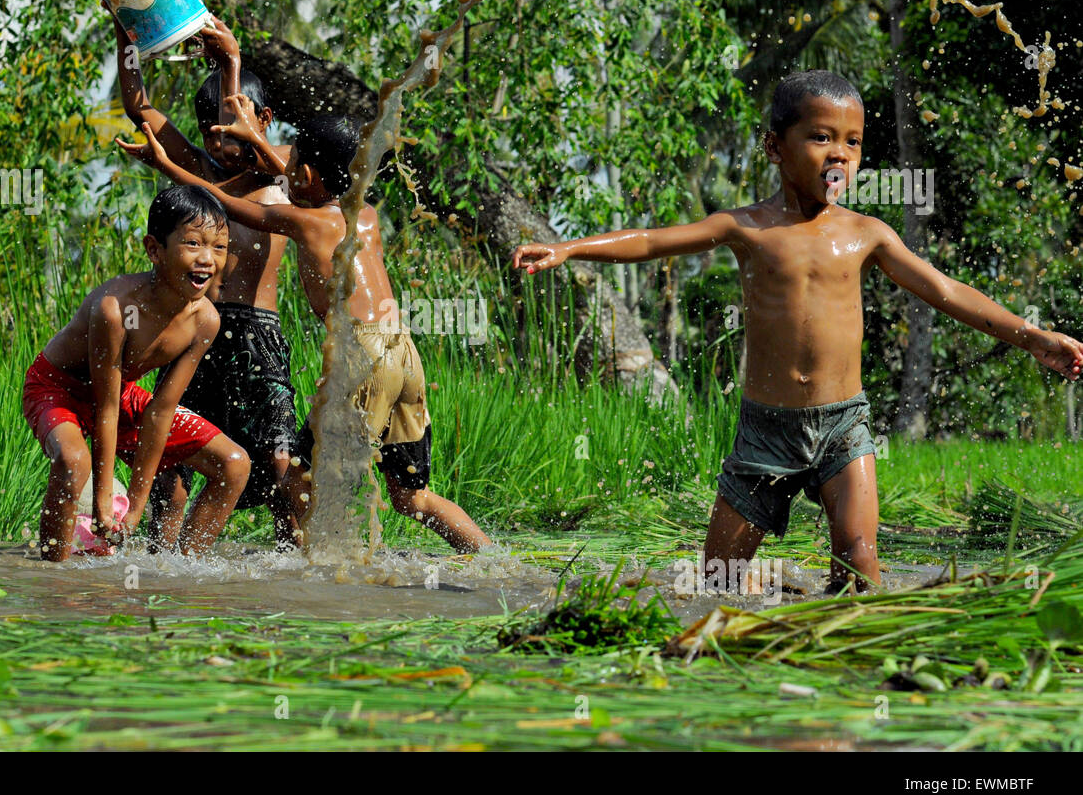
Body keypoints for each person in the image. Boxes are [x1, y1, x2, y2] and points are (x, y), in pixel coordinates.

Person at [512, 69, 1083, 592]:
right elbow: (652, 240)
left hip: (844, 425)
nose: (840, 153)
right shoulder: (747, 227)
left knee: (860, 565)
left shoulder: (868, 234)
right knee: (718, 582)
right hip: (766, 431)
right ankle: (765, 602)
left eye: (853, 141)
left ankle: (849, 668)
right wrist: (569, 248)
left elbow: (945, 290)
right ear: (774, 147)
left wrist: (1034, 338)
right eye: (820, 137)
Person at [119, 100, 491, 552]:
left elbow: (226, 205)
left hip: (362, 358)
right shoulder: (365, 215)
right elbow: (311, 182)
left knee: (301, 480)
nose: (281, 171)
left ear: (310, 177)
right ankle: (488, 557)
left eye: (291, 163)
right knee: (412, 497)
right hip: (402, 352)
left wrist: (166, 165)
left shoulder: (304, 222)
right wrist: (259, 141)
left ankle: (341, 570)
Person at [96, 0, 300, 550]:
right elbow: (138, 105)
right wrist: (126, 22)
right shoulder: (206, 178)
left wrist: (232, 62)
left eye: (230, 126)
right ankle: (172, 562)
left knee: (282, 462)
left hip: (256, 335)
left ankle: (294, 568)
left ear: (262, 118)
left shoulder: (279, 166)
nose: (218, 142)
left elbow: (268, 167)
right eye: (209, 132)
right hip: (195, 328)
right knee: (172, 464)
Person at [21, 185, 250, 561]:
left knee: (234, 464)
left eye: (219, 247)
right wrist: (103, 501)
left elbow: (160, 411)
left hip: (121, 393)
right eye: (193, 244)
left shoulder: (205, 321)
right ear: (154, 250)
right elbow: (105, 407)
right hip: (57, 388)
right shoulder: (116, 308)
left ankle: (183, 569)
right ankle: (54, 573)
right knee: (73, 462)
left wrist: (137, 507)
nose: (207, 259)